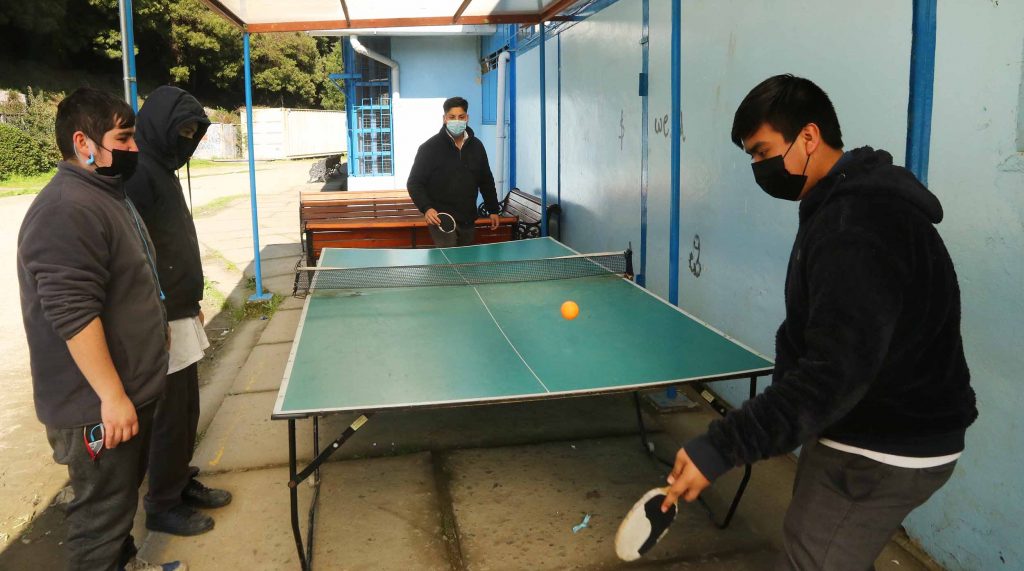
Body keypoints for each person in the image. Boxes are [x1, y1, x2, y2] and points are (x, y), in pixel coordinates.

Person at [661, 74, 977, 570]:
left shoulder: (855, 224)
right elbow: (815, 336)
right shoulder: (843, 205)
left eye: (764, 152)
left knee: (814, 557)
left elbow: (834, 371)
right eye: (752, 158)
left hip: (883, 444)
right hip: (875, 425)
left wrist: (725, 445)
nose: (760, 168)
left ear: (808, 137)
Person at [17, 87, 186, 571]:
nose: (134, 148)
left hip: (124, 394)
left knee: (119, 505)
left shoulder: (104, 193)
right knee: (100, 520)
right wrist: (111, 396)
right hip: (95, 406)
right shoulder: (66, 209)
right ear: (84, 143)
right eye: (124, 138)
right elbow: (72, 313)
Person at [125, 85, 232, 537]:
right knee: (168, 417)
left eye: (194, 132)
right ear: (158, 125)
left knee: (187, 408)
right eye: (182, 130)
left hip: (181, 311)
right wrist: (165, 311)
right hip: (161, 318)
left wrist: (191, 304)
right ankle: (162, 505)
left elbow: (173, 244)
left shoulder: (163, 169)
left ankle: (179, 480)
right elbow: (141, 256)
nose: (187, 139)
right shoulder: (138, 173)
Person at [407, 96, 501, 246]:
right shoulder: (429, 148)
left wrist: (493, 210)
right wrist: (427, 208)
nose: (456, 120)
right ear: (444, 118)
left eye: (461, 117)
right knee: (450, 263)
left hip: (468, 218)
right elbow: (414, 183)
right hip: (441, 219)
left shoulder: (477, 147)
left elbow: (486, 180)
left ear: (467, 118)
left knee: (466, 264)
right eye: (452, 117)